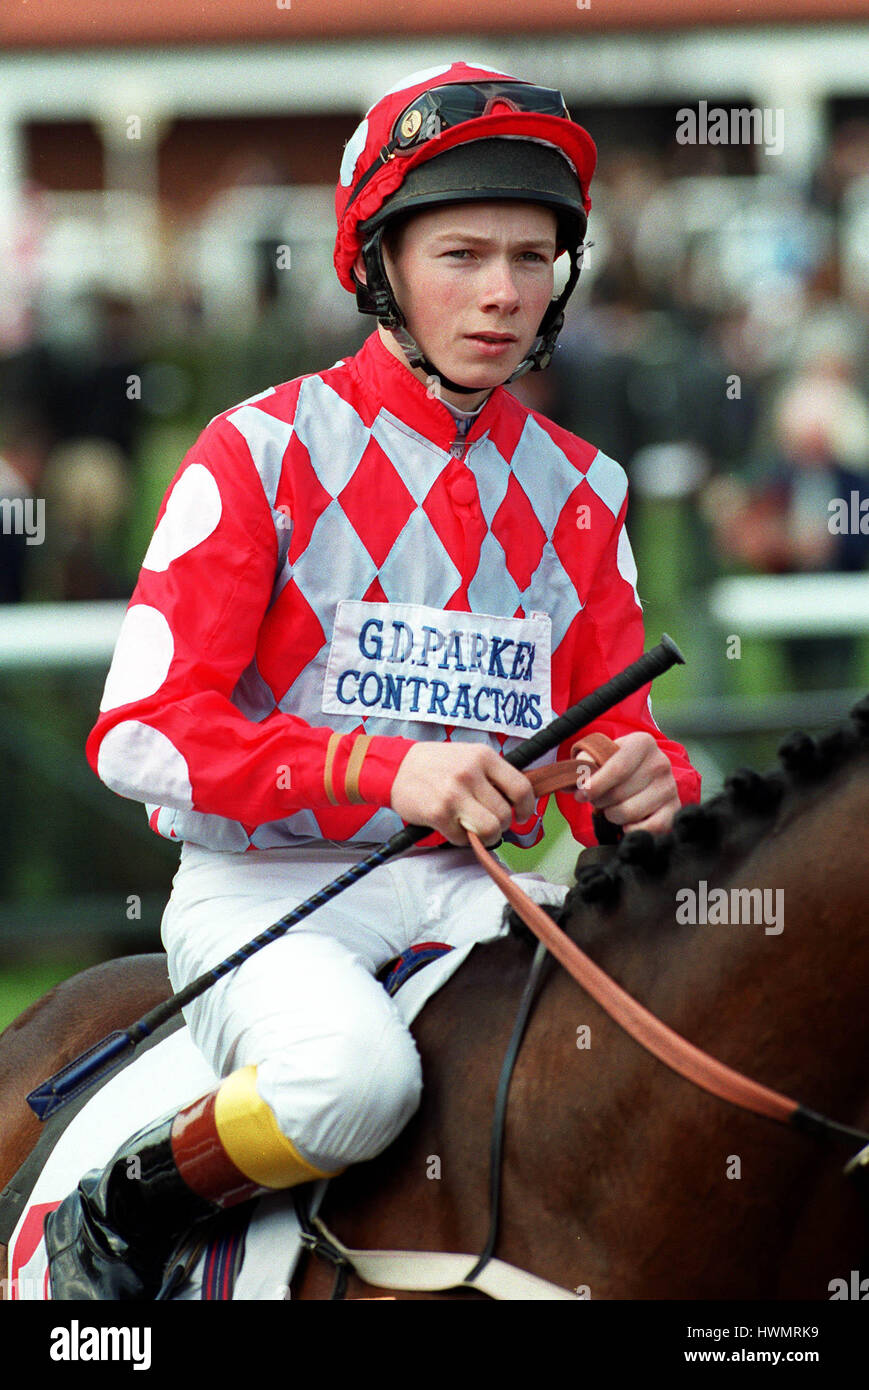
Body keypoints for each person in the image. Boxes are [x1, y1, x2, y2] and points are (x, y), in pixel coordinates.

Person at [45, 61, 701, 1300]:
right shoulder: (261, 451)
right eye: (461, 254)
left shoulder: (583, 489)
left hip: (485, 896)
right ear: (380, 263)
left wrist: (640, 781)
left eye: (531, 256)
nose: (504, 293)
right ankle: (121, 1207)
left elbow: (629, 743)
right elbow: (141, 735)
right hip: (271, 895)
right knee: (353, 1082)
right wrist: (386, 770)